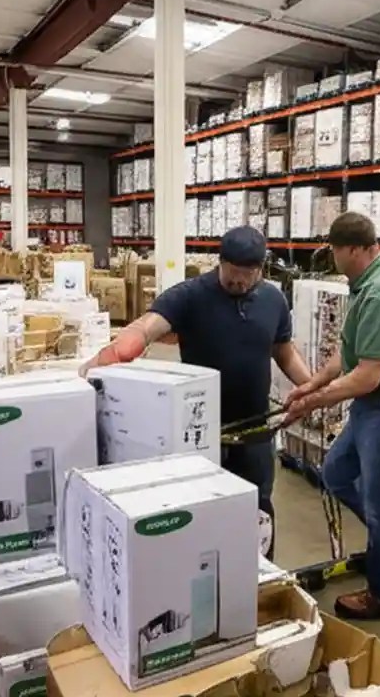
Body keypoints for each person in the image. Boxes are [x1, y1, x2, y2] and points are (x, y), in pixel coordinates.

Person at [78, 227, 312, 557]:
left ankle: (261, 586)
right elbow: (149, 326)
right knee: (203, 511)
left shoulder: (273, 300)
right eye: (233, 273)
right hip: (202, 434)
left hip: (255, 433)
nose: (239, 282)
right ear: (221, 263)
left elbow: (284, 351)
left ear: (260, 270)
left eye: (248, 275)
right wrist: (110, 356)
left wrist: (311, 387)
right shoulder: (191, 296)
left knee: (257, 512)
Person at [285, 212, 380, 621]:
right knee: (336, 473)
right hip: (372, 407)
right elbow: (348, 356)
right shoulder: (365, 286)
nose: (334, 259)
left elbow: (367, 375)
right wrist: (310, 385)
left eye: (337, 251)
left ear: (356, 249)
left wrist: (314, 404)